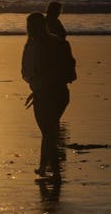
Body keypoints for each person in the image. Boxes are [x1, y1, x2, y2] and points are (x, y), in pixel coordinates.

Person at [21, 12, 76, 182]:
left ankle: (55, 172)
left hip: (44, 94)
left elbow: (28, 73)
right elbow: (70, 70)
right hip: (61, 93)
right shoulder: (60, 42)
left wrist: (36, 89)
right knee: (50, 131)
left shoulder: (32, 45)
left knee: (48, 132)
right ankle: (44, 167)